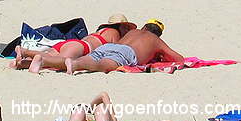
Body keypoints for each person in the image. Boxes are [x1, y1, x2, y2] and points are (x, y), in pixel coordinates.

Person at [46, 20, 183, 74]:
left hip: (110, 46)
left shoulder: (133, 32)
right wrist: (160, 54)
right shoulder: (156, 40)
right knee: (104, 64)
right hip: (126, 52)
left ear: (144, 27)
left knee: (92, 58)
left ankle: (43, 61)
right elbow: (179, 58)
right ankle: (75, 65)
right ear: (158, 34)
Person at [12, 14, 136, 71]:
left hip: (71, 43)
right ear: (118, 26)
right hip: (82, 47)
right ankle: (25, 51)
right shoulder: (114, 34)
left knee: (50, 58)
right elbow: (117, 50)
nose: (126, 30)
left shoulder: (102, 30)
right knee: (60, 62)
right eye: (125, 27)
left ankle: (23, 61)